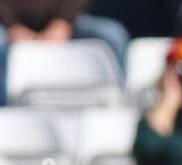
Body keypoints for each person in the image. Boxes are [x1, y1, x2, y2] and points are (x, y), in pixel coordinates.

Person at [0, 1, 129, 105]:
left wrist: (64, 21)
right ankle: (5, 111)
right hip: (7, 25)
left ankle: (119, 107)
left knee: (114, 34)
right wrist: (12, 25)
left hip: (65, 22)